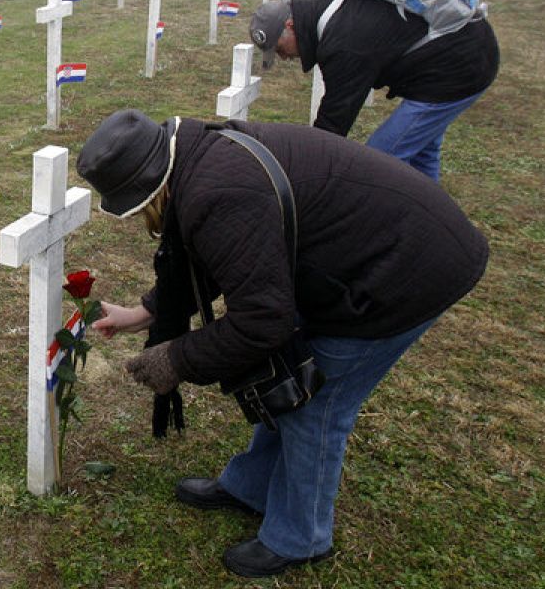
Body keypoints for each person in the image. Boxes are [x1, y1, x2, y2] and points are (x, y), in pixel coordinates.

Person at [78, 108, 489, 579]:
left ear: (150, 189)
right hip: (371, 248)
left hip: (404, 268)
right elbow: (232, 258)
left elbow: (261, 324)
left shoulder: (219, 192)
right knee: (290, 388)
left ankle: (301, 536)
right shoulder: (198, 158)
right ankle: (251, 487)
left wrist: (177, 358)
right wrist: (146, 313)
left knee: (317, 401)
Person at [248, 0, 499, 181]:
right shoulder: (329, 4)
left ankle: (399, 219)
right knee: (422, 153)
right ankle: (431, 215)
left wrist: (300, 175)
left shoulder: (342, 42)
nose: (283, 57)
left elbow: (333, 124)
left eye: (279, 49)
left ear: (290, 25)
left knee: (380, 163)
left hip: (459, 67)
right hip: (459, 53)